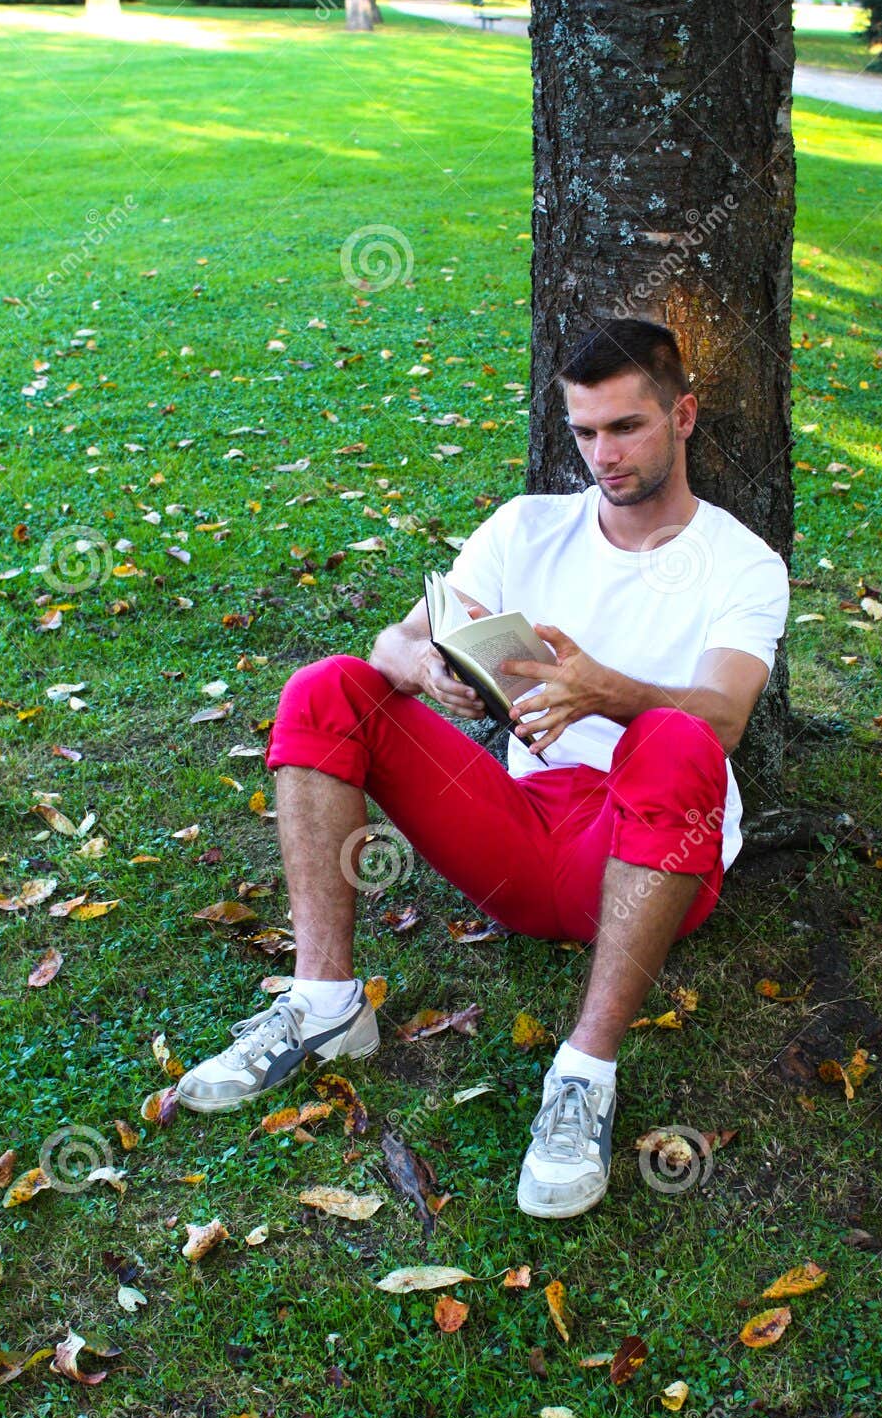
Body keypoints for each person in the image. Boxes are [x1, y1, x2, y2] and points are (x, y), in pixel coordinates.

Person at [177, 318, 790, 1220]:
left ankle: (583, 1075)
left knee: (674, 737)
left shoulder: (740, 561)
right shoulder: (527, 528)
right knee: (327, 687)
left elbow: (724, 717)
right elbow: (395, 639)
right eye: (585, 432)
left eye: (627, 427)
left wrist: (603, 691)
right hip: (526, 827)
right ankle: (325, 1003)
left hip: (653, 845)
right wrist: (422, 667)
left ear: (683, 416)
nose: (604, 455)